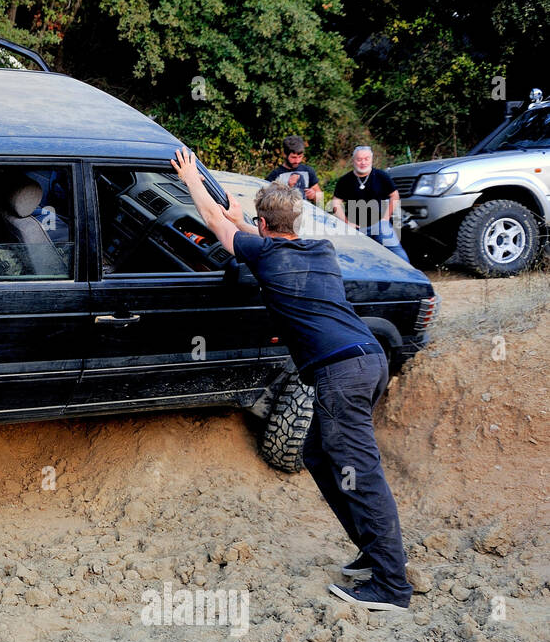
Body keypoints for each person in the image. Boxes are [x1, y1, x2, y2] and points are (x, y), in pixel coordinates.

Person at [170, 148, 412, 612]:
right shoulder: (317, 249)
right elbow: (250, 238)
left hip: (341, 372)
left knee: (361, 474)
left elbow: (210, 219)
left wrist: (190, 177)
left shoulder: (263, 252)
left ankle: (392, 586)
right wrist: (241, 220)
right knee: (317, 452)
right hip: (368, 359)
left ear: (264, 226)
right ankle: (371, 551)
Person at [331, 146, 410, 263]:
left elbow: (395, 195)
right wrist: (346, 222)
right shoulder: (345, 180)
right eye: (359, 159)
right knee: (353, 259)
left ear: (371, 160)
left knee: (397, 254)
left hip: (379, 224)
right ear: (353, 161)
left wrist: (386, 218)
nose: (363, 162)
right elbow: (336, 201)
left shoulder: (381, 176)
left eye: (366, 159)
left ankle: (410, 278)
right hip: (356, 228)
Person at [265, 134, 322, 205]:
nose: (297, 161)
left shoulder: (308, 171)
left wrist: (314, 196)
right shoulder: (275, 175)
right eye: (293, 157)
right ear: (284, 154)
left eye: (300, 157)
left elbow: (320, 199)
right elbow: (266, 201)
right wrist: (288, 186)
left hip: (306, 213)